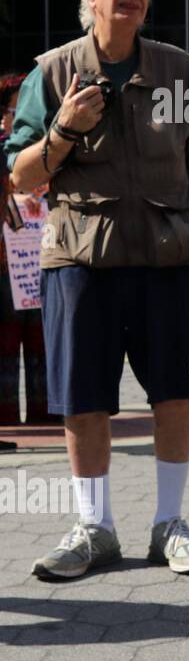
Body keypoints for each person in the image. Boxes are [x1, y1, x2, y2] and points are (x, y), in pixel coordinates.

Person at [7, 0, 189, 580]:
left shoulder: (180, 68)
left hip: (170, 256)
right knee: (83, 398)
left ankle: (169, 525)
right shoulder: (52, 72)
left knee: (175, 392)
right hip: (81, 258)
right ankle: (94, 529)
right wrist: (65, 128)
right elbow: (19, 176)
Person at [0, 72, 54, 427]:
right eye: (16, 107)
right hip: (6, 260)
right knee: (6, 341)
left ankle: (45, 408)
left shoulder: (45, 145)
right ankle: (5, 415)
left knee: (41, 335)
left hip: (39, 254)